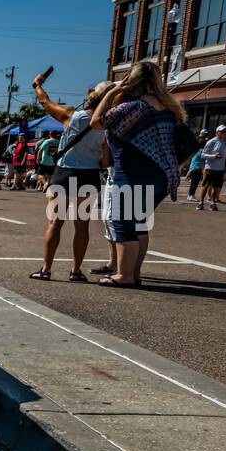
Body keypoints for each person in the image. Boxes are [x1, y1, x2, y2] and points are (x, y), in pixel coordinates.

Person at [91, 60, 184, 287]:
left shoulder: (134, 107)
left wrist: (112, 92)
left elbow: (97, 122)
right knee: (140, 223)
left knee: (123, 223)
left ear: (132, 80)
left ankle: (124, 275)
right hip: (162, 174)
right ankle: (135, 272)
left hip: (134, 172)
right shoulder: (168, 108)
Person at [30, 77, 113, 282]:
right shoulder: (107, 125)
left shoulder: (72, 116)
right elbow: (105, 162)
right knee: (81, 226)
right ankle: (76, 271)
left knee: (55, 223)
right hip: (89, 175)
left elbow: (45, 102)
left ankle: (46, 269)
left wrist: (38, 86)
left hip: (65, 173)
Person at [197, 125, 226, 211]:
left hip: (220, 169)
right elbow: (203, 155)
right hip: (210, 168)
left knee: (215, 187)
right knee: (205, 186)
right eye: (222, 131)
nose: (225, 133)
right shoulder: (211, 142)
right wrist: (214, 156)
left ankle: (213, 203)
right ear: (217, 132)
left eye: (225, 131)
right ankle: (201, 203)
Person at [184, 129, 209, 201]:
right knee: (195, 182)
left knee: (193, 182)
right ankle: (191, 196)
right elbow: (203, 157)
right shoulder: (201, 150)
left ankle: (190, 195)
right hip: (197, 167)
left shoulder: (196, 149)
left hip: (194, 167)